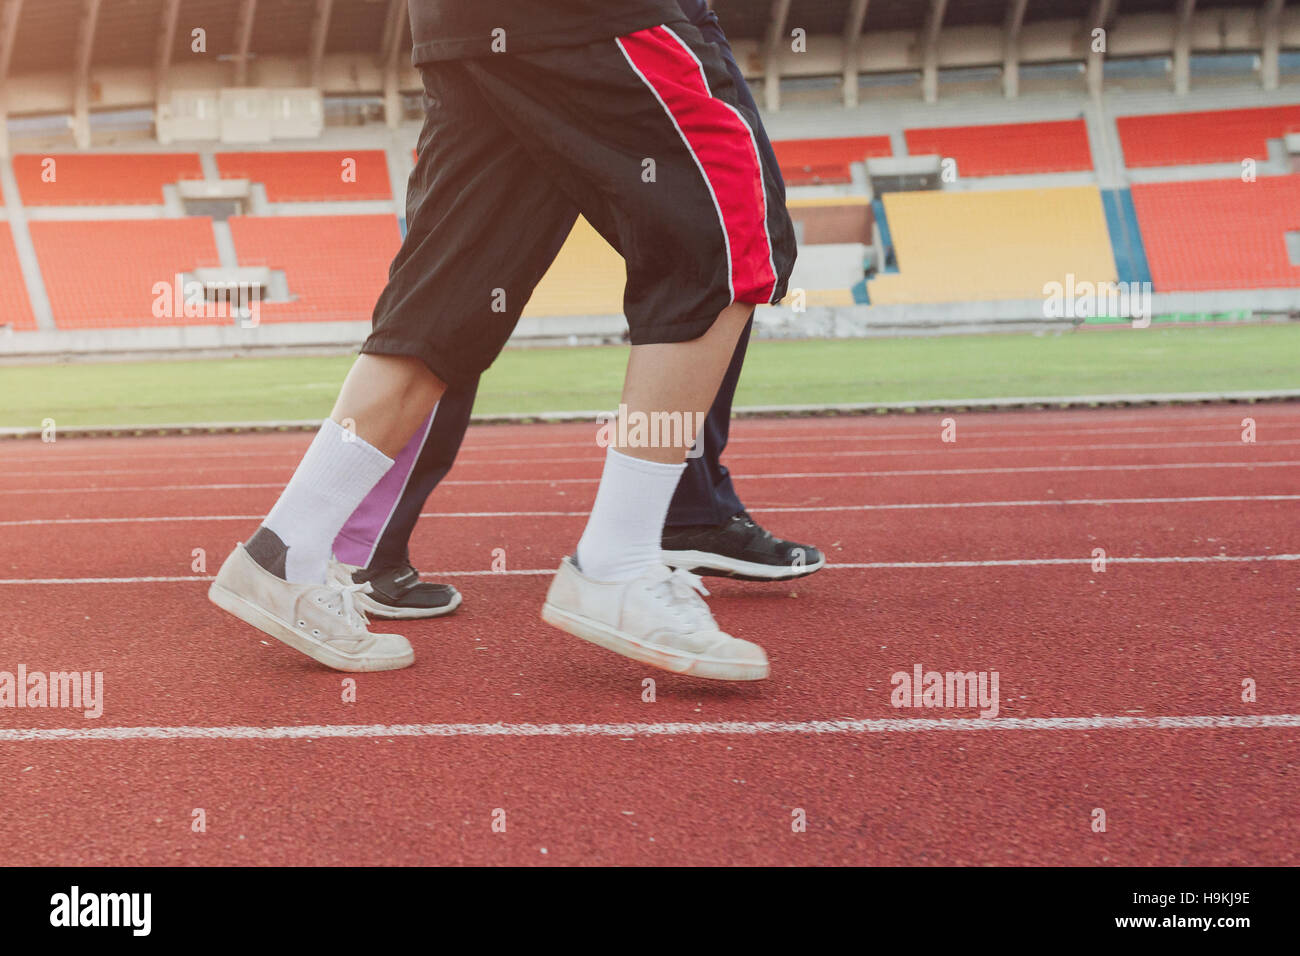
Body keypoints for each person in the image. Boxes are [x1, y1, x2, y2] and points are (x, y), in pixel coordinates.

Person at [209, 0, 797, 682]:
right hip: (585, 19)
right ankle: (620, 562)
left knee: (449, 294)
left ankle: (288, 547)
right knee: (728, 240)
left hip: (465, 24)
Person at [328, 0, 824, 621]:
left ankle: (315, 541)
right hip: (587, 19)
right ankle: (354, 540)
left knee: (460, 278)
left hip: (500, 25)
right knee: (724, 240)